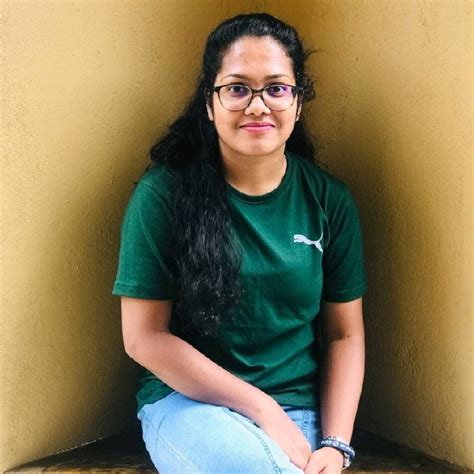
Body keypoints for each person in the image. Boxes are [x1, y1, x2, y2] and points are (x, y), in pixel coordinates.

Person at [112, 12, 367, 474]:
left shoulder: (329, 200)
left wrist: (335, 444)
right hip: (187, 405)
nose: (257, 106)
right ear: (210, 105)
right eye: (237, 89)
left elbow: (344, 334)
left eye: (276, 88)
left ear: (297, 103)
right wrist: (260, 407)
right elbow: (144, 337)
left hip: (299, 411)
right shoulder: (163, 194)